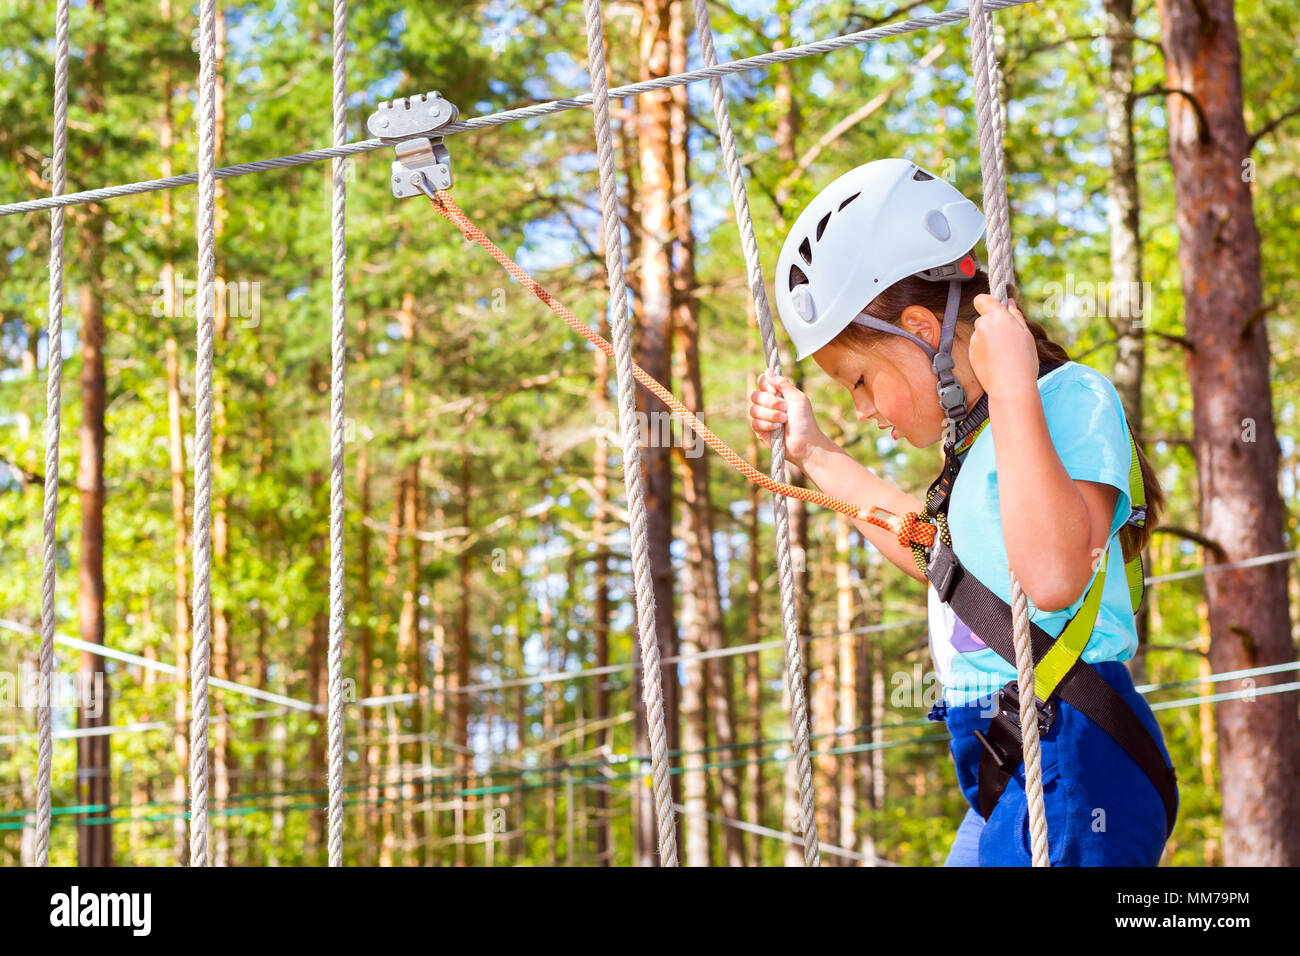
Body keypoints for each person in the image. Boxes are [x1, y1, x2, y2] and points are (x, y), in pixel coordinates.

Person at [748, 158, 1177, 866]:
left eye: (860, 380)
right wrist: (816, 454)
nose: (860, 408)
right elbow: (935, 557)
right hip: (1010, 761)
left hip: (1075, 754)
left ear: (920, 328)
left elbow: (1053, 577)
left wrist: (1012, 392)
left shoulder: (1067, 399)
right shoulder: (976, 450)